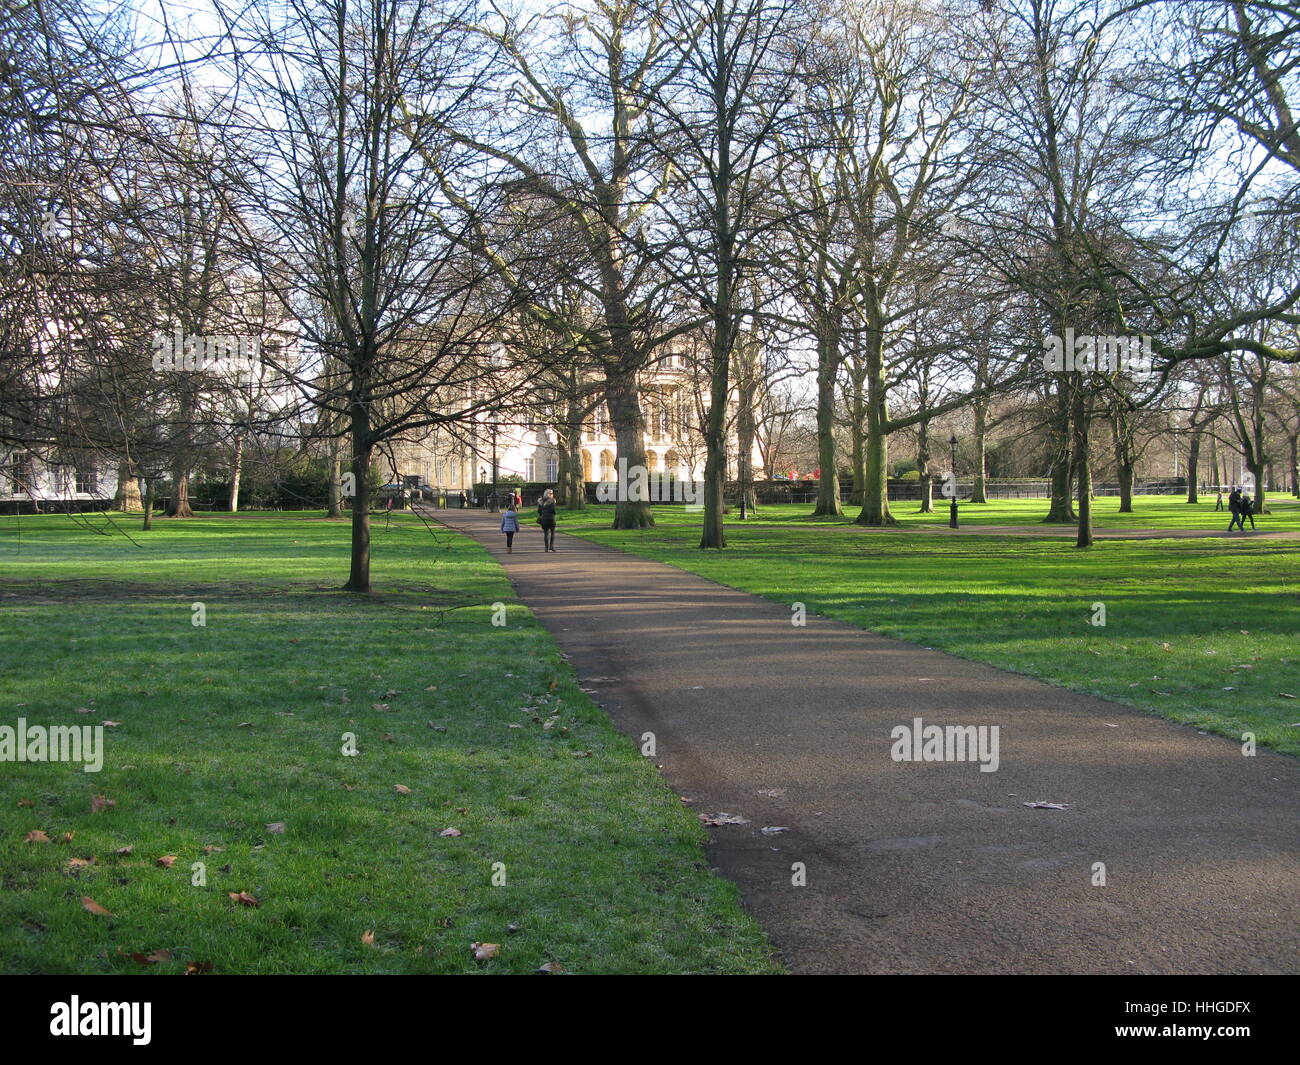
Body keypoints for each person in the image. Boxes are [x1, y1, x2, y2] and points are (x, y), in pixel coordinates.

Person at [537, 488, 557, 552]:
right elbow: (553, 510)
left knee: (546, 534)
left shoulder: (541, 501)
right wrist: (554, 513)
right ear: (549, 494)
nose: (552, 494)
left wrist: (542, 514)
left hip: (544, 519)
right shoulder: (552, 501)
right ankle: (551, 546)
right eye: (551, 493)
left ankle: (546, 547)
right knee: (552, 533)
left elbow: (539, 511)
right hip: (551, 518)